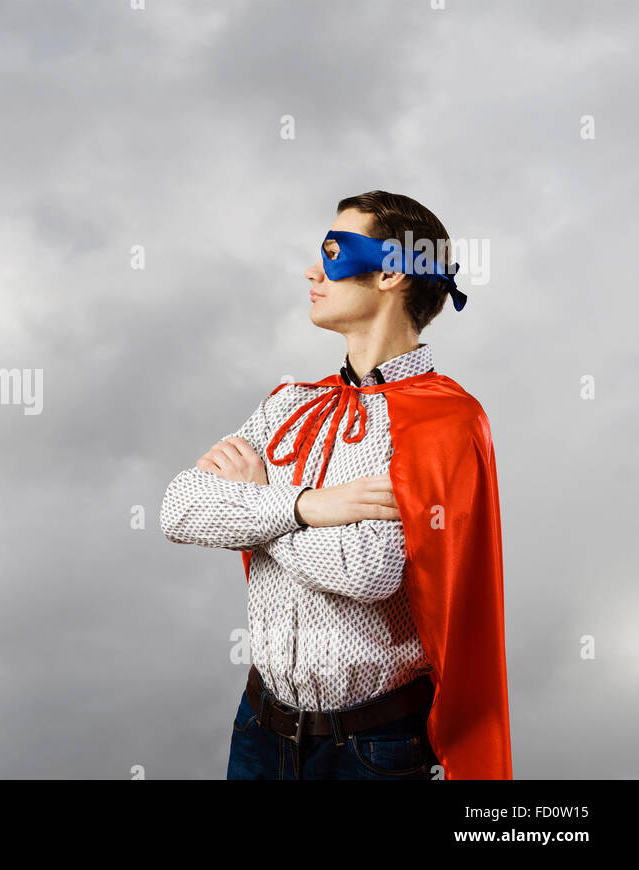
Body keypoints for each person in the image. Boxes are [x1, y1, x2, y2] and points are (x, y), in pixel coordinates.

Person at [159, 190, 511, 780]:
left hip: (374, 749)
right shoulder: (289, 406)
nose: (311, 270)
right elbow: (178, 509)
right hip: (259, 730)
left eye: (333, 250)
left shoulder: (443, 420)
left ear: (392, 271)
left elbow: (367, 572)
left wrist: (254, 504)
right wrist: (304, 506)